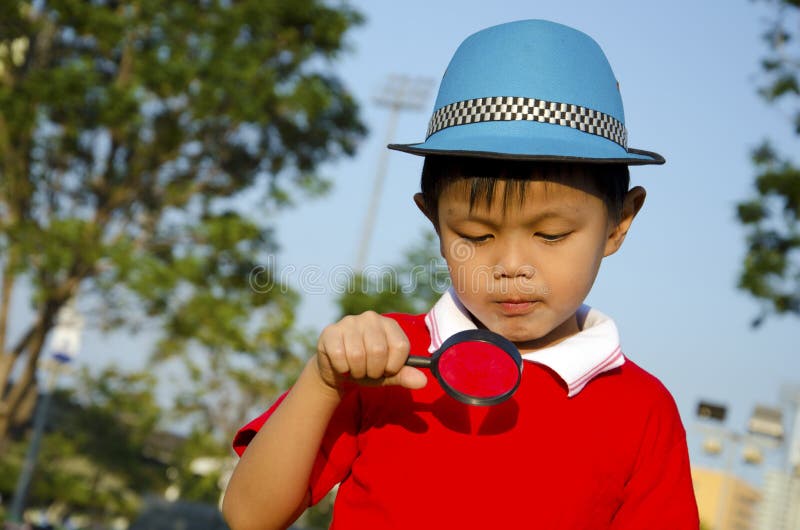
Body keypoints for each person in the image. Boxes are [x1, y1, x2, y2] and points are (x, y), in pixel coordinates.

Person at [222, 19, 700, 530]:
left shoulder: (642, 411)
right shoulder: (383, 360)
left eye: (552, 235)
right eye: (475, 235)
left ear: (619, 223)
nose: (511, 267)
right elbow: (249, 516)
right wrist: (323, 383)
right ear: (434, 220)